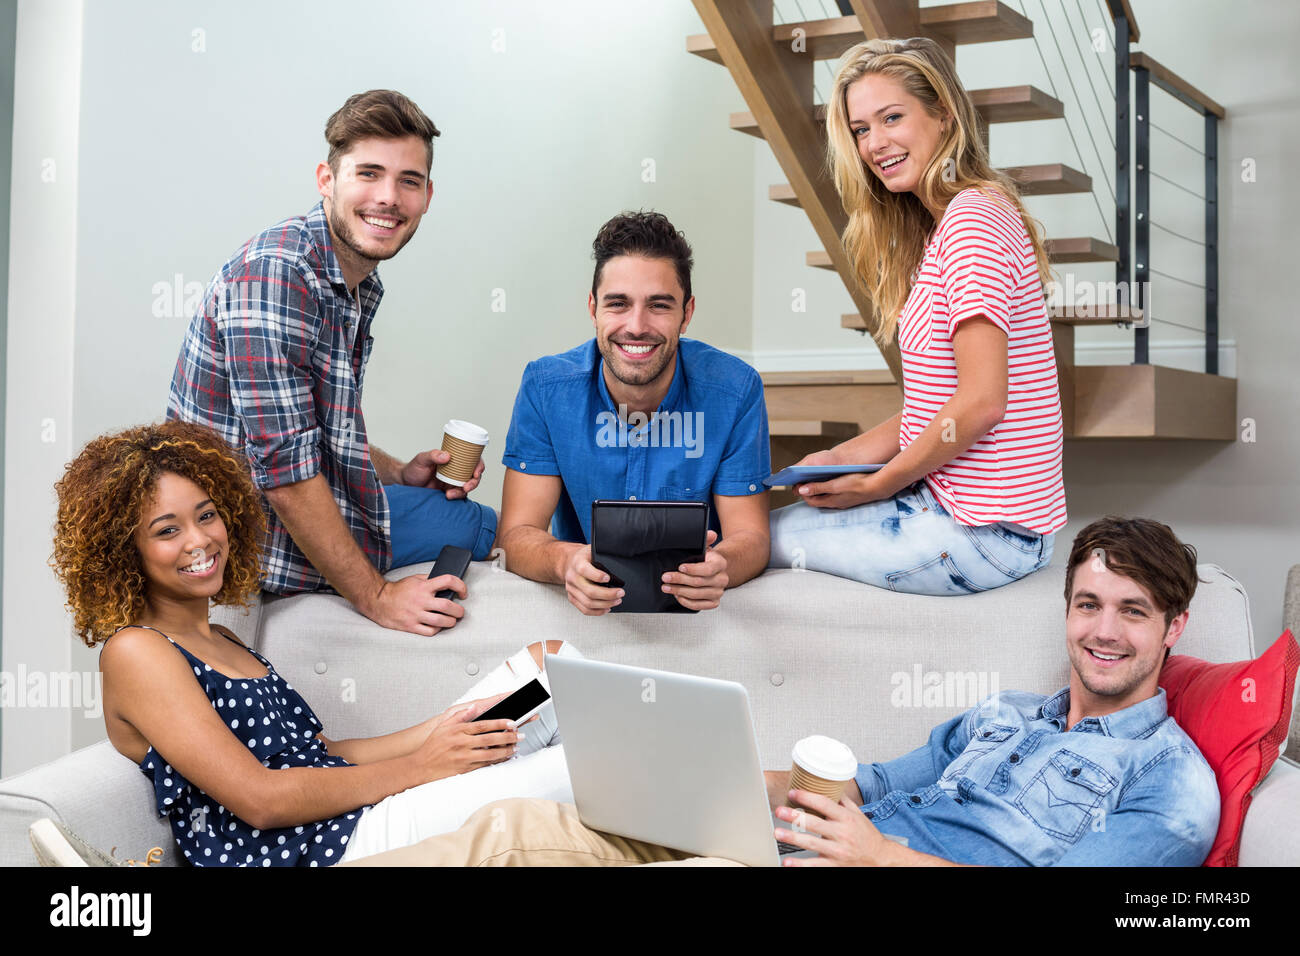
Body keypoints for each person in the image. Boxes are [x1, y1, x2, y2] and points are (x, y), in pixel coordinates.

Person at [344, 517, 1220, 866]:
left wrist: (879, 857)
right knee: (516, 832)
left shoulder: (1172, 788)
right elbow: (870, 786)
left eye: (1133, 613)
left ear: (1173, 628)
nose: (1104, 631)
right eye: (1089, 605)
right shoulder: (1001, 717)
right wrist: (706, 776)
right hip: (799, 843)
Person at [49, 421, 578, 867]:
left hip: (357, 808)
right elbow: (260, 799)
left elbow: (321, 755)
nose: (200, 540)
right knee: (574, 772)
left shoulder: (225, 639)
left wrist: (444, 728)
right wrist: (424, 767)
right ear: (124, 551)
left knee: (551, 666)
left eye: (206, 515)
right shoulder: (137, 652)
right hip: (330, 846)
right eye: (167, 531)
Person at [167, 89, 495, 636]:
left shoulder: (351, 281)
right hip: (246, 537)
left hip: (287, 503)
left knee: (473, 522)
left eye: (408, 181)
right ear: (327, 179)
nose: (388, 197)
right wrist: (378, 597)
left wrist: (400, 472)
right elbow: (285, 473)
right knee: (483, 528)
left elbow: (314, 428)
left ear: (428, 195)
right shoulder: (277, 276)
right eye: (369, 173)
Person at [768, 37, 1065, 595]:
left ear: (944, 115)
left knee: (755, 544)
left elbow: (980, 403)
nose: (876, 143)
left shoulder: (973, 222)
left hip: (985, 533)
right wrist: (838, 458)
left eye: (892, 118)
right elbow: (938, 408)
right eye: (861, 129)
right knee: (757, 528)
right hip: (963, 517)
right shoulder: (945, 228)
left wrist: (881, 484)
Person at [496, 211, 771, 615]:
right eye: (618, 304)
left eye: (659, 305)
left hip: (693, 622)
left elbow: (752, 536)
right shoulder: (545, 388)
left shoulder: (735, 391)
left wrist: (721, 567)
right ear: (593, 309)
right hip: (587, 619)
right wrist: (566, 562)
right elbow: (517, 534)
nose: (637, 326)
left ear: (687, 313)